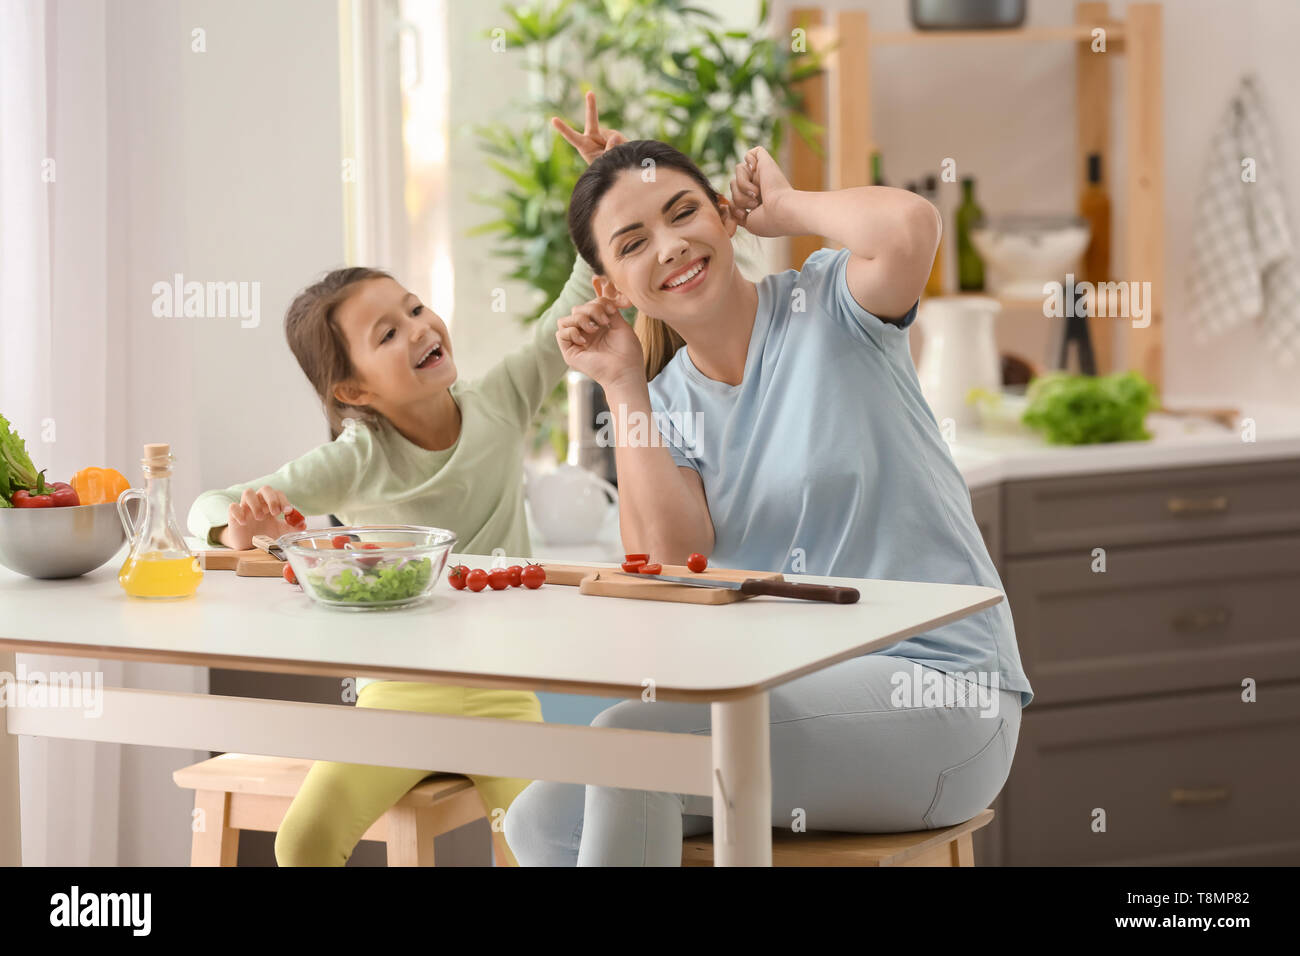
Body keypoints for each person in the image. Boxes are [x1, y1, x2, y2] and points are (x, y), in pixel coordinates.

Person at [504, 138, 1033, 866]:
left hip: (942, 690)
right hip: (791, 704)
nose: (671, 245)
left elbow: (910, 229)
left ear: (724, 217)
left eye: (683, 212)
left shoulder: (834, 306)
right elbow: (667, 561)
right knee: (539, 821)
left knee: (639, 742)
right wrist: (622, 383)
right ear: (613, 291)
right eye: (633, 242)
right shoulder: (664, 407)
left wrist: (784, 208)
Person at [185, 95, 625, 865]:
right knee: (304, 841)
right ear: (352, 391)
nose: (421, 328)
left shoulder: (500, 399)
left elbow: (573, 302)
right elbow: (208, 505)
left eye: (415, 308)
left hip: (501, 686)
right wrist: (236, 527)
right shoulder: (356, 457)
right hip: (394, 694)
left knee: (545, 842)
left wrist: (607, 188)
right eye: (388, 333)